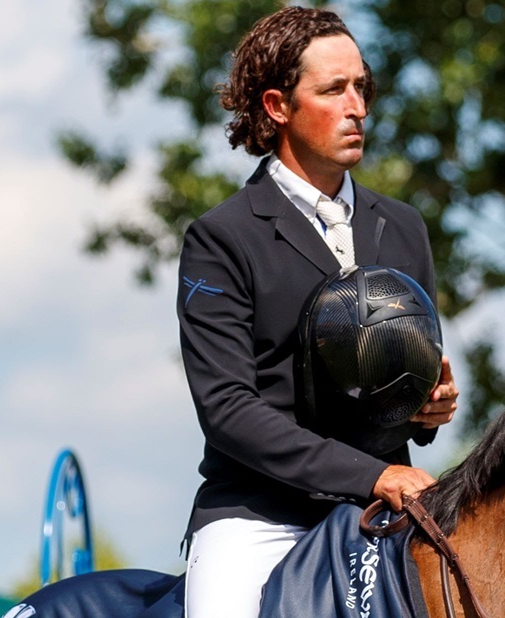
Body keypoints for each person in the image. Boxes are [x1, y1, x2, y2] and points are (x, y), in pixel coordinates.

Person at [176, 6, 459, 616]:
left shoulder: (405, 226)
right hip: (257, 518)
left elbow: (402, 399)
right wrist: (371, 476)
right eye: (334, 90)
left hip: (387, 513)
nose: (357, 105)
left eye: (362, 86)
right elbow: (227, 409)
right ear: (278, 106)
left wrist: (428, 410)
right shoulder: (221, 237)